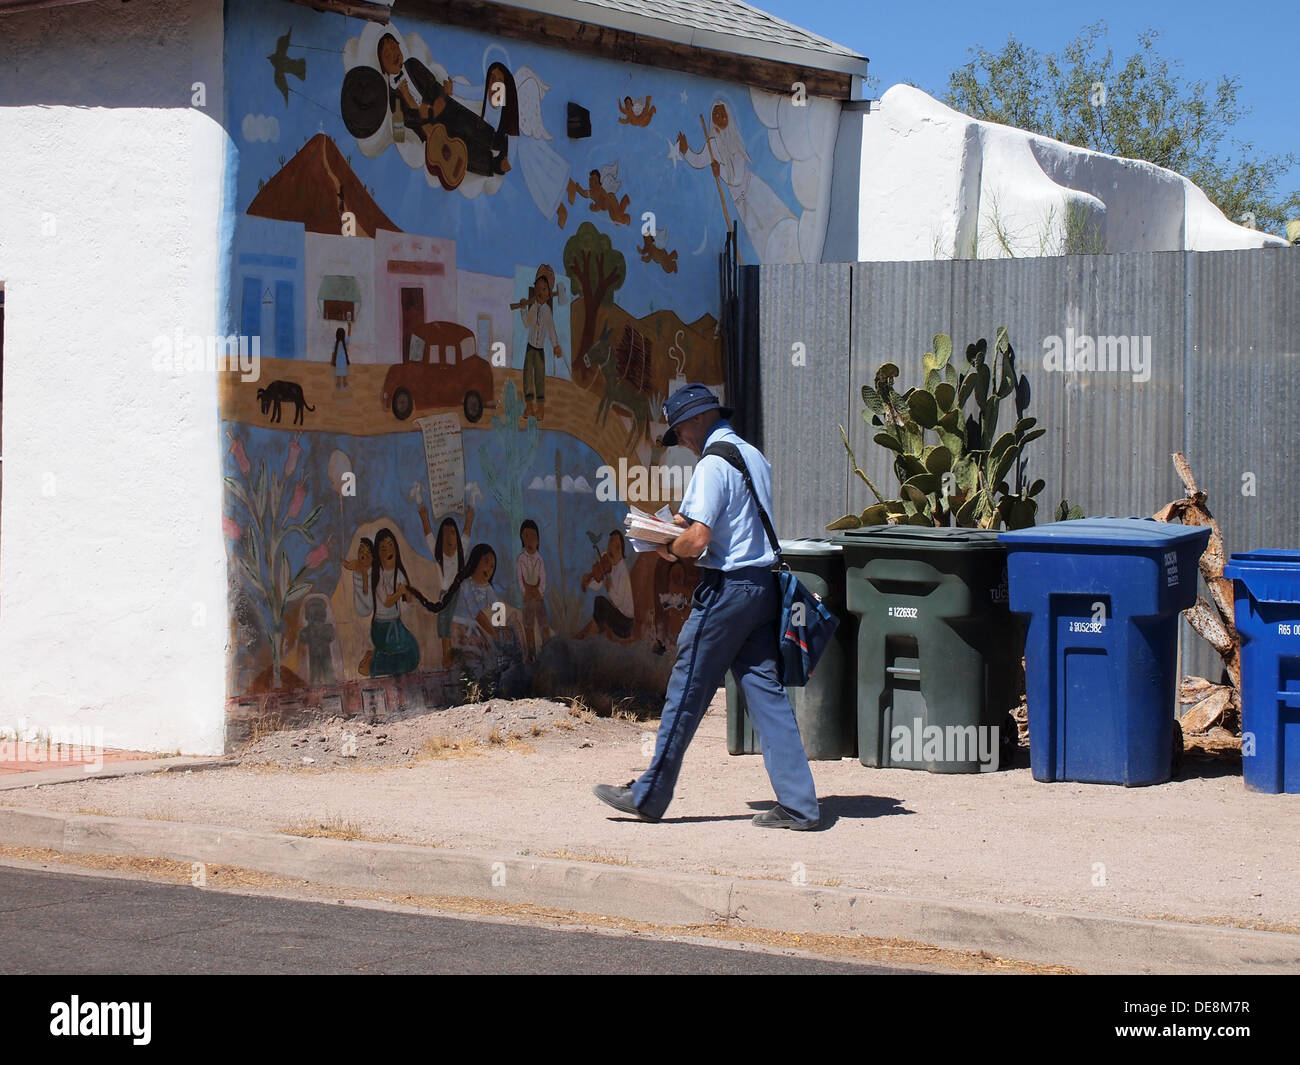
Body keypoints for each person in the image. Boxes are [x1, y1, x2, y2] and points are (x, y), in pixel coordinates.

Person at [593, 383, 820, 830]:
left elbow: (697, 539)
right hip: (761, 588)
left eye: (678, 433)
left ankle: (649, 794)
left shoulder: (713, 464)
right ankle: (800, 805)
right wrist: (671, 529)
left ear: (696, 420)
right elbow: (719, 520)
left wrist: (668, 549)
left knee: (685, 688)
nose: (681, 443)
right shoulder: (751, 455)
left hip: (728, 590)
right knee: (765, 692)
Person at [574, 530, 634, 641]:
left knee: (601, 603)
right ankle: (587, 633)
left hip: (625, 624)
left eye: (617, 547)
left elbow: (619, 602)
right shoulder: (606, 559)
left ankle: (587, 634)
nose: (613, 549)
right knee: (600, 602)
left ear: (621, 553)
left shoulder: (622, 572)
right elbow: (597, 584)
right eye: (611, 542)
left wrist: (609, 589)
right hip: (617, 614)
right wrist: (589, 579)